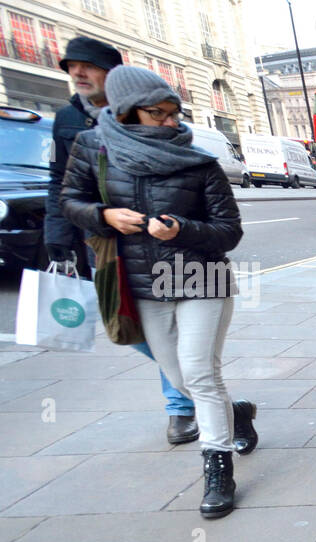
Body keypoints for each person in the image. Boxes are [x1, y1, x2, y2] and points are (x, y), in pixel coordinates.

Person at [61, 66, 257, 518]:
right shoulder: (93, 148)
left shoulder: (200, 163)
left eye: (174, 113)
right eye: (158, 114)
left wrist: (181, 230)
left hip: (200, 278)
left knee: (200, 374)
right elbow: (70, 201)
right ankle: (238, 413)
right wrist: (104, 216)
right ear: (128, 112)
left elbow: (228, 232)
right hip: (141, 282)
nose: (171, 122)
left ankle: (218, 468)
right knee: (182, 378)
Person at [46, 36, 199, 446]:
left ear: (113, 75)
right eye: (71, 66)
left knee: (165, 324)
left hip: (161, 240)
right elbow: (62, 186)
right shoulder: (69, 120)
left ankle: (182, 407)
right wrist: (63, 234)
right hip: (105, 242)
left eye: (88, 66)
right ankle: (199, 387)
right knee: (126, 327)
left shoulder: (151, 115)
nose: (78, 73)